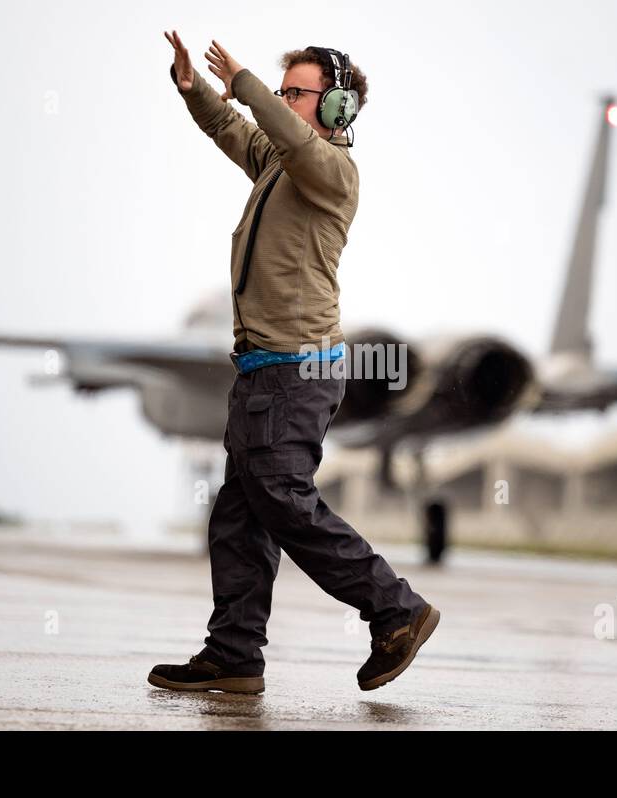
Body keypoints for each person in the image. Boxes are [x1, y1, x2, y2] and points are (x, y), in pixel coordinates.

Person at [147, 32, 440, 695]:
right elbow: (232, 128)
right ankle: (234, 653)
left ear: (338, 108)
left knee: (283, 499)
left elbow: (290, 138)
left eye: (295, 93)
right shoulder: (280, 162)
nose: (280, 103)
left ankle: (396, 608)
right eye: (281, 93)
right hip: (260, 370)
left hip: (296, 372)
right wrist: (193, 89)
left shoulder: (331, 171)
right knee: (240, 514)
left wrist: (247, 81)